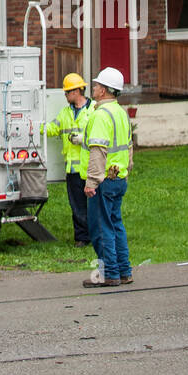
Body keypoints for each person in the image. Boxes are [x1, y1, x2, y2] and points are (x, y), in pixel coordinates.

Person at [80, 67, 133, 288]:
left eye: (96, 85)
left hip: (103, 181)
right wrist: (126, 171)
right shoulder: (120, 112)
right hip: (118, 178)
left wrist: (91, 182)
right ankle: (124, 271)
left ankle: (109, 273)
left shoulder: (101, 115)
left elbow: (98, 151)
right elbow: (128, 147)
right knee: (116, 225)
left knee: (101, 228)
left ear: (103, 90)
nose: (93, 88)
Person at [45, 73, 92, 246]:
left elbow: (101, 136)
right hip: (72, 169)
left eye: (67, 92)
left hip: (91, 168)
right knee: (77, 206)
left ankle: (96, 236)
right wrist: (35, 128)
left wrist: (84, 139)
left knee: (94, 206)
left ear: (78, 91)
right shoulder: (65, 113)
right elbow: (52, 129)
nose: (65, 95)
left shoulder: (93, 110)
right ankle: (82, 238)